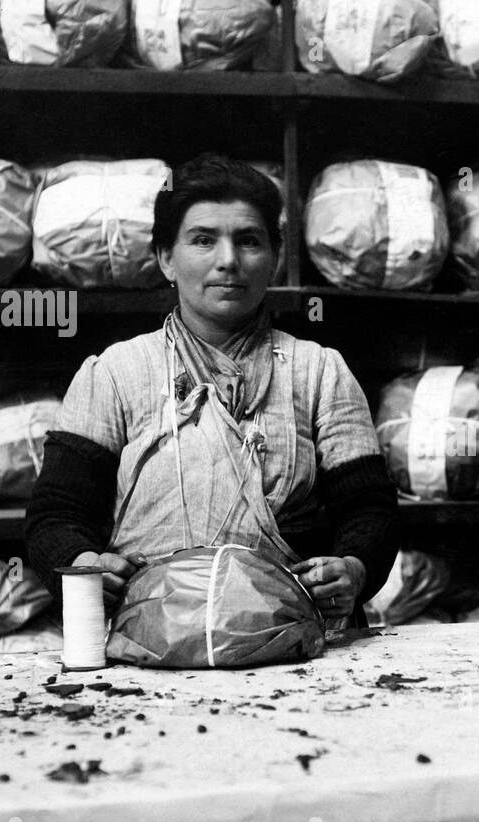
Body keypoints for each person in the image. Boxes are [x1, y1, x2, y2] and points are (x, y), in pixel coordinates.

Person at [26, 153, 398, 623]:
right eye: (203, 240)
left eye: (248, 241)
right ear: (165, 259)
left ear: (276, 259)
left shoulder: (319, 371)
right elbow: (55, 515)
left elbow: (371, 509)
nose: (228, 261)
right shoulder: (115, 373)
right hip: (151, 637)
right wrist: (85, 566)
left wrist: (354, 568)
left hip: (292, 636)